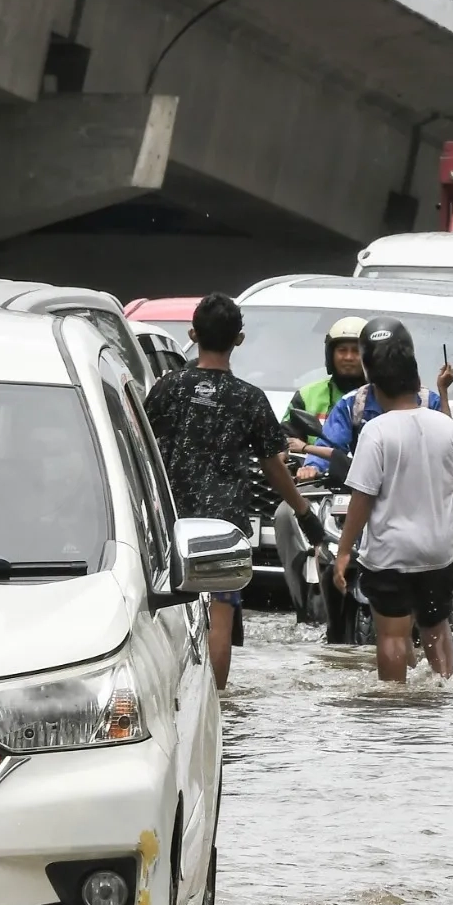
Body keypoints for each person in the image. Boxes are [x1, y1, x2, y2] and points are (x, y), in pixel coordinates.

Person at [145, 292, 323, 689]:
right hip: (226, 528)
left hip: (173, 522)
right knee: (220, 615)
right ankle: (216, 704)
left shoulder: (166, 389)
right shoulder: (250, 399)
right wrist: (305, 515)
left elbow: (142, 450)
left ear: (192, 334)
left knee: (171, 615)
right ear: (238, 339)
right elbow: (275, 468)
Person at [331, 318, 453, 683]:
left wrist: (343, 551)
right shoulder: (444, 425)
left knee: (392, 634)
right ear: (416, 378)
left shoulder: (376, 431)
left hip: (389, 554)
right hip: (437, 552)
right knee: (436, 628)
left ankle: (393, 703)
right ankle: (444, 689)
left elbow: (362, 498)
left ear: (373, 381)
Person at [303, 347, 453, 479]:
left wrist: (443, 392)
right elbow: (332, 444)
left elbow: (450, 448)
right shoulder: (353, 403)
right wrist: (313, 466)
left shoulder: (429, 401)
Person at [288, 316, 367, 480]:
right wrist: (307, 465)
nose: (348, 357)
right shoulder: (307, 395)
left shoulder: (382, 396)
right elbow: (285, 439)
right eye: (342, 350)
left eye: (356, 351)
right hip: (314, 487)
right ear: (330, 355)